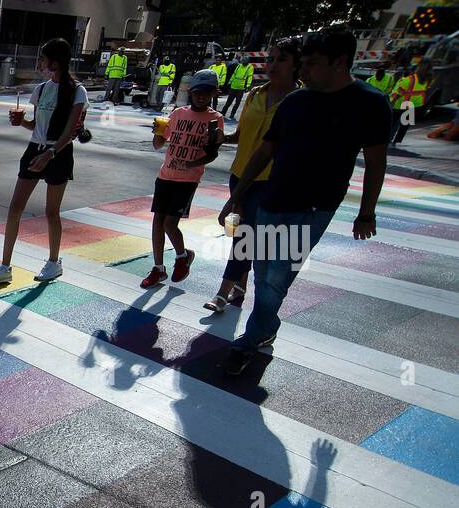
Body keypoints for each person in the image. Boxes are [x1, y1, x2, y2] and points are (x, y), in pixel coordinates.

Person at [216, 26, 390, 376]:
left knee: (274, 280)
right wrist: (236, 196)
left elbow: (375, 161)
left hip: (312, 209)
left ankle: (247, 343)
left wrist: (366, 213)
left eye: (311, 63)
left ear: (339, 62)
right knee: (264, 271)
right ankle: (266, 328)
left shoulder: (369, 103)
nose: (303, 71)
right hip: (270, 200)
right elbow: (267, 149)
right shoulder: (295, 102)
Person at [204, 37, 302, 312]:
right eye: (270, 59)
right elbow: (242, 135)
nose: (273, 65)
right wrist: (222, 138)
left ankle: (223, 292)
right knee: (238, 234)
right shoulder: (255, 95)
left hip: (269, 180)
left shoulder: (299, 101)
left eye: (281, 59)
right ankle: (240, 286)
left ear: (296, 65)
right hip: (239, 174)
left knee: (246, 235)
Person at [0, 37, 88, 286]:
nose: (39, 63)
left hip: (58, 154)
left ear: (56, 62)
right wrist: (22, 123)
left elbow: (71, 130)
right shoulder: (41, 89)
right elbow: (35, 125)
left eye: (43, 59)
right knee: (15, 207)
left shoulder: (77, 91)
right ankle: (5, 266)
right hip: (34, 150)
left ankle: (54, 262)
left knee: (52, 212)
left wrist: (49, 154)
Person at [140, 70, 224, 289]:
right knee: (158, 222)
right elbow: (158, 144)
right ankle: (158, 268)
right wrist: (157, 131)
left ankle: (182, 256)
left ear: (214, 93)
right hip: (165, 175)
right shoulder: (178, 113)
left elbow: (213, 154)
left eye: (206, 93)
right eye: (198, 92)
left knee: (170, 223)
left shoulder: (215, 119)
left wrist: (190, 164)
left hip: (187, 180)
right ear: (191, 92)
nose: (201, 97)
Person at [389, 59, 433, 145]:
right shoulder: (429, 80)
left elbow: (398, 93)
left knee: (392, 123)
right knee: (405, 125)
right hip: (414, 105)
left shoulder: (408, 79)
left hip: (401, 104)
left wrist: (392, 102)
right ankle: (397, 142)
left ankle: (387, 140)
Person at [222, 54, 254, 119]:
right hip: (233, 86)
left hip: (241, 88)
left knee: (237, 103)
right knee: (228, 102)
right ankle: (223, 113)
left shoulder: (250, 67)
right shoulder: (239, 66)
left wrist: (248, 85)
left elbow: (250, 76)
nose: (243, 62)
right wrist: (230, 82)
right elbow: (234, 74)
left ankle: (232, 115)